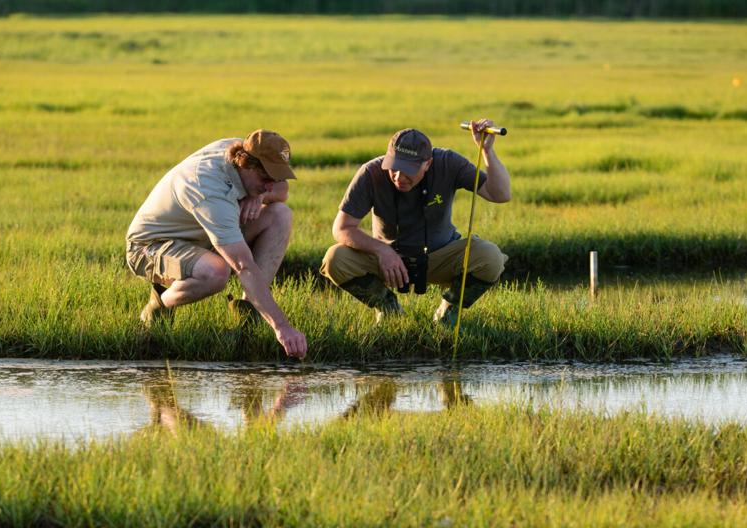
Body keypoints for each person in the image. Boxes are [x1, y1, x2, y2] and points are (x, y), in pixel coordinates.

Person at [126, 130, 307, 359]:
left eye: (275, 177)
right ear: (247, 165)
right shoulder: (209, 188)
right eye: (266, 179)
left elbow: (283, 192)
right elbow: (243, 265)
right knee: (216, 272)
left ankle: (246, 326)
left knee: (280, 215)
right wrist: (282, 327)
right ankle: (156, 311)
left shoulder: (240, 152)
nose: (271, 185)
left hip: (203, 238)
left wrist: (258, 195)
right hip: (150, 247)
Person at [320, 120, 511, 327]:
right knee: (335, 259)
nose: (399, 176)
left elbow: (499, 194)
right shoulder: (371, 172)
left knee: (491, 257)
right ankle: (388, 309)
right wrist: (383, 251)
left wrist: (487, 151)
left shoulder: (448, 162)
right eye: (394, 167)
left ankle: (448, 313)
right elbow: (342, 228)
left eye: (408, 169)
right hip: (388, 262)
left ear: (427, 163)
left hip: (440, 255)